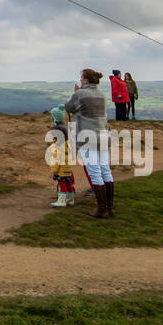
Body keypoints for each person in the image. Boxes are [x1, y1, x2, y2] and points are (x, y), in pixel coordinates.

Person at [65, 69, 113, 218]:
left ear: (85, 80)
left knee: (94, 172)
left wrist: (75, 93)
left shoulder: (80, 94)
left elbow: (68, 107)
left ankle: (101, 210)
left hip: (88, 137)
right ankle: (109, 208)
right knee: (106, 170)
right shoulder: (101, 94)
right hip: (104, 136)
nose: (80, 80)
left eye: (81, 78)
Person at [48, 107, 76, 207]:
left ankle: (62, 201)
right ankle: (70, 199)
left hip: (61, 169)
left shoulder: (58, 148)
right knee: (68, 182)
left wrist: (54, 169)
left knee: (62, 183)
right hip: (68, 166)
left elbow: (56, 160)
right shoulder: (67, 144)